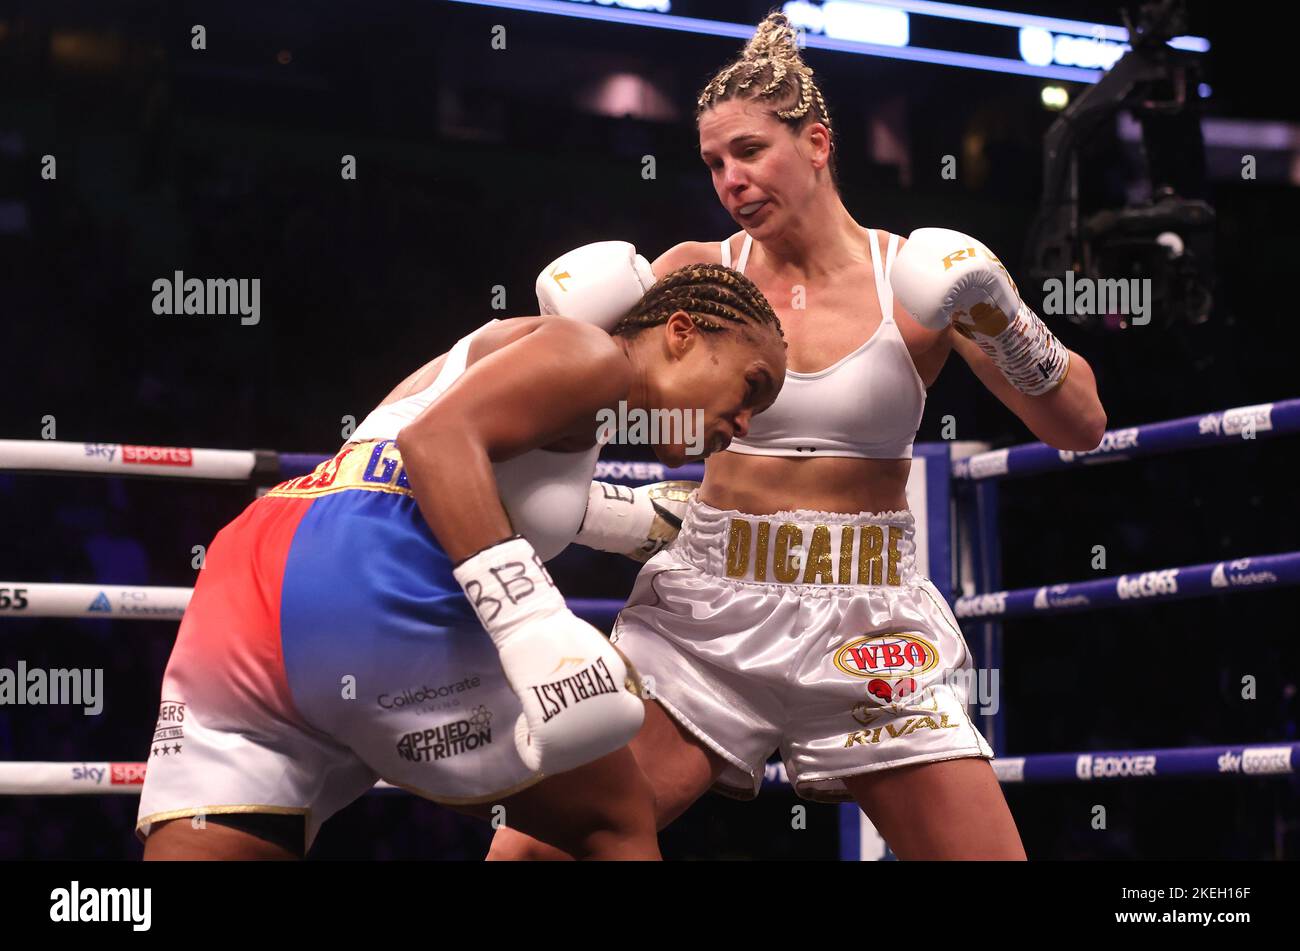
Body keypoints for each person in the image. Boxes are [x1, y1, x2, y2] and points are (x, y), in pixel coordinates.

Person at [490, 13, 1106, 861]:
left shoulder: (915, 281)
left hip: (870, 617)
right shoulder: (695, 275)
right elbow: (624, 424)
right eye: (714, 163)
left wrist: (1003, 317)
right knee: (533, 852)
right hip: (707, 611)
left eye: (749, 151)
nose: (730, 179)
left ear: (817, 143)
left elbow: (1079, 425)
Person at [135, 263, 786, 860]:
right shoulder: (594, 355)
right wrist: (530, 623)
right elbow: (438, 442)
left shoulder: (527, 364)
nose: (746, 421)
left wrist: (634, 519)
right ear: (680, 332)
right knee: (616, 820)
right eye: (751, 385)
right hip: (368, 574)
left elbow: (447, 468)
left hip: (258, 573)